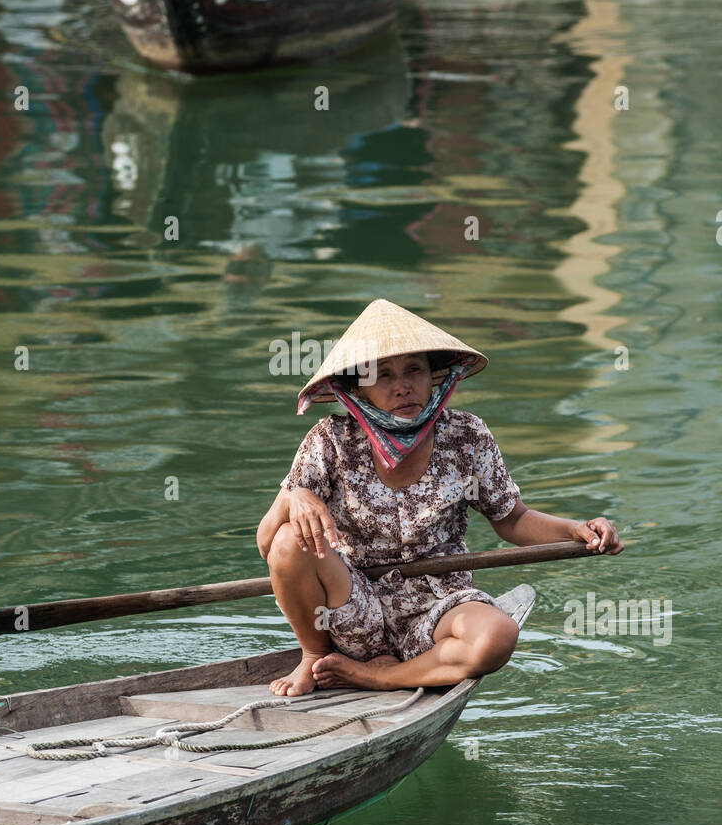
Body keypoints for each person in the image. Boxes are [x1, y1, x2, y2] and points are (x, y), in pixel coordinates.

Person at [257, 299, 623, 697]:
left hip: (438, 605)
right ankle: (313, 657)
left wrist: (577, 530)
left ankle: (382, 676)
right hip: (352, 608)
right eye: (383, 375)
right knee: (290, 540)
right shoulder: (330, 440)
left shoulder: (466, 435)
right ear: (356, 387)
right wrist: (295, 497)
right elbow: (268, 545)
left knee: (497, 635)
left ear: (433, 374)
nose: (402, 386)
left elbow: (512, 520)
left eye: (414, 369)